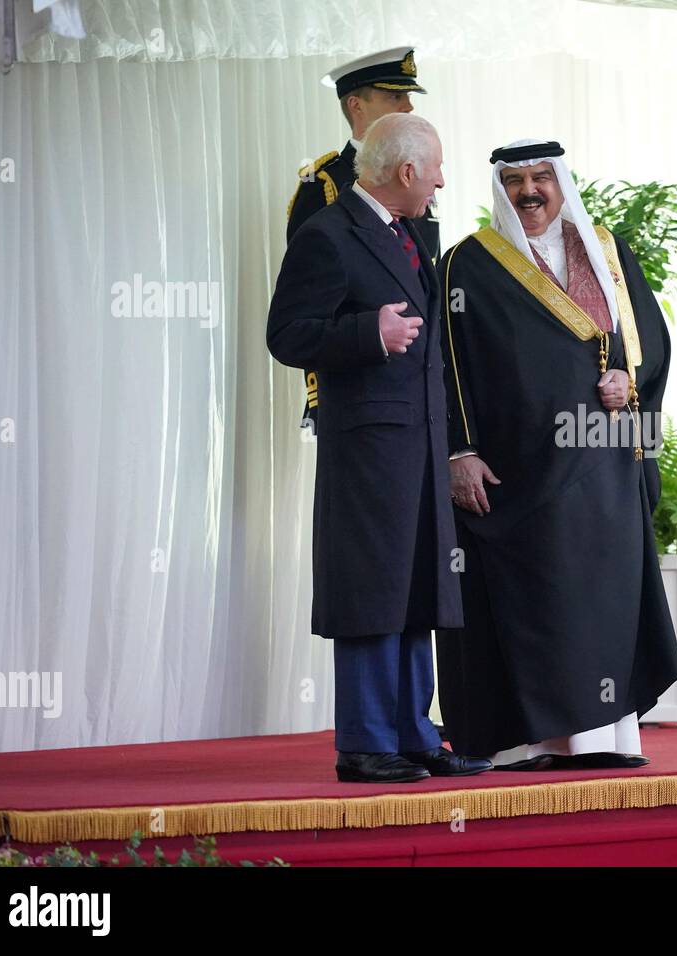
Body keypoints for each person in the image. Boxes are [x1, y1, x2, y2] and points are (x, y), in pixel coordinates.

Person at [434, 139, 677, 770]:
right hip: (518, 471)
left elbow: (649, 340)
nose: (529, 192)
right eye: (514, 181)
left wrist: (629, 378)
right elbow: (446, 365)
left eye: (542, 178)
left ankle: (602, 739)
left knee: (603, 600)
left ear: (561, 182)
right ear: (500, 189)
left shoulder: (607, 251)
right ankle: (533, 744)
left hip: (604, 461)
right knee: (538, 602)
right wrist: (458, 451)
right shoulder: (469, 263)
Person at [267, 113, 490, 783]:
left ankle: (414, 736)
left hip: (417, 448)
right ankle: (364, 743)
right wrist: (368, 332)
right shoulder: (328, 235)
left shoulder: (407, 232)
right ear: (406, 172)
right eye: (438, 169)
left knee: (416, 588)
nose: (443, 181)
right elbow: (288, 335)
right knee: (372, 592)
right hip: (367, 454)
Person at [286, 46, 441, 438]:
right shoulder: (325, 185)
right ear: (356, 105)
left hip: (419, 390)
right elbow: (306, 308)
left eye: (408, 97)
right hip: (362, 395)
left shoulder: (417, 172)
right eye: (394, 96)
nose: (407, 107)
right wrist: (320, 395)